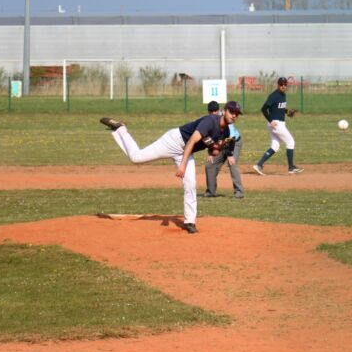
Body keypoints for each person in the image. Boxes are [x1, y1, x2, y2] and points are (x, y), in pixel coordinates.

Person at [99, 100, 242, 234]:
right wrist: (182, 167)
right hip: (174, 141)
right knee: (136, 158)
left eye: (237, 114)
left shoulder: (227, 132)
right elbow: (191, 142)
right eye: (232, 112)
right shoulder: (210, 121)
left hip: (186, 152)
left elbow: (213, 151)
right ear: (224, 111)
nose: (234, 115)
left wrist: (220, 147)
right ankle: (121, 129)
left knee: (191, 184)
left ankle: (190, 222)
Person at [252, 76, 303, 175]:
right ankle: (291, 167)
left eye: (285, 84)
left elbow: (279, 108)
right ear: (278, 85)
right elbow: (263, 109)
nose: (283, 86)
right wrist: (271, 120)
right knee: (290, 142)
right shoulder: (274, 95)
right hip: (276, 123)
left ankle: (258, 165)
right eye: (281, 84)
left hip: (276, 123)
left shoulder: (283, 95)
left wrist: (287, 111)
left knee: (275, 146)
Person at [203, 101, 244, 199]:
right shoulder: (210, 120)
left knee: (232, 163)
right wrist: (210, 153)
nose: (214, 113)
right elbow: (210, 137)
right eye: (211, 111)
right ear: (209, 112)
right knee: (210, 165)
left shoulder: (226, 118)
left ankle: (239, 192)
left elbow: (232, 137)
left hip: (234, 143)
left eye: (215, 111)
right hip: (222, 144)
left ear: (220, 110)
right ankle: (211, 192)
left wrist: (230, 155)